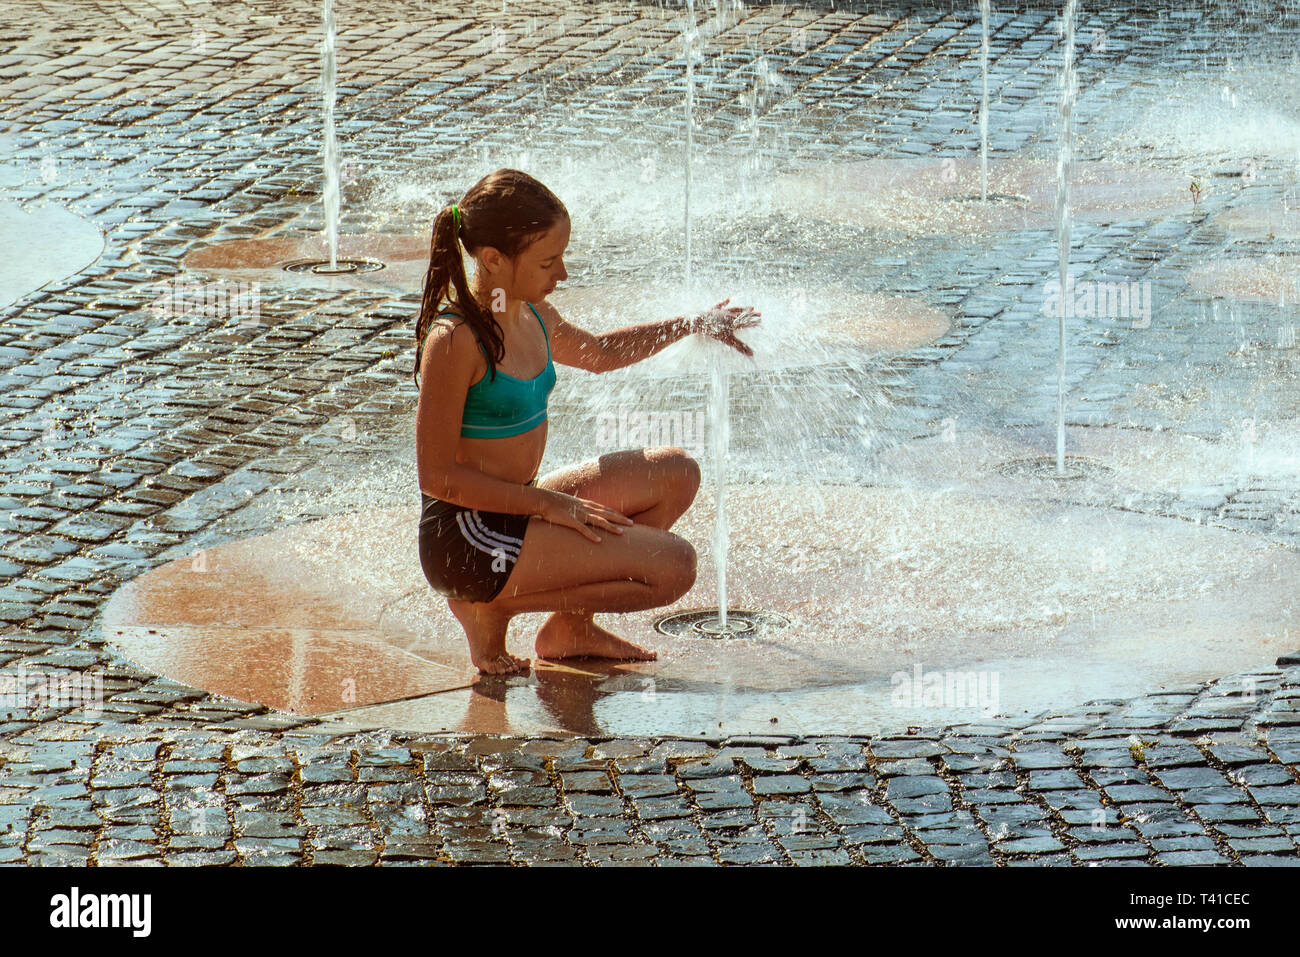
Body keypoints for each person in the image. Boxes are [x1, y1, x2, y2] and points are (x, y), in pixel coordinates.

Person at [414, 168, 760, 674]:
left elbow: (600, 352)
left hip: (519, 510)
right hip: (466, 537)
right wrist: (550, 505)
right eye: (549, 261)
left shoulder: (533, 314)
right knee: (674, 567)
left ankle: (571, 627)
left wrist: (690, 324)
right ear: (493, 259)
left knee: (675, 472)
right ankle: (490, 606)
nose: (563, 274)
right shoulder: (455, 341)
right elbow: (438, 478)